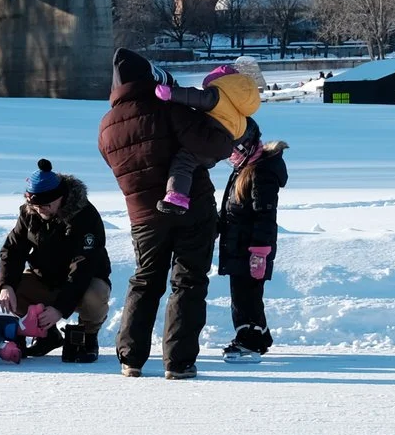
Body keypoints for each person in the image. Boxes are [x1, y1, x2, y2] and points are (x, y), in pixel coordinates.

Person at [99, 48, 234, 379]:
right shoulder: (168, 106)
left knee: (145, 280)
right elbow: (215, 144)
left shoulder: (106, 126)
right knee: (188, 281)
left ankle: (130, 358)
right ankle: (179, 361)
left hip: (143, 215)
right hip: (192, 205)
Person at [0, 159, 112, 364]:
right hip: (45, 279)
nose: (40, 210)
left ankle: (87, 337)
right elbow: (13, 249)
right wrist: (7, 285)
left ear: (61, 197)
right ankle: (47, 334)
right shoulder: (29, 213)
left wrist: (59, 309)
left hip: (82, 283)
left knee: (97, 292)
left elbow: (82, 267)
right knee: (0, 287)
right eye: (35, 204)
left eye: (46, 205)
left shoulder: (85, 215)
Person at [153, 57, 264, 212]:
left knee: (184, 162)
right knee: (191, 162)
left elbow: (194, 97)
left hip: (210, 138)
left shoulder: (216, 96)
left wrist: (171, 93)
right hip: (222, 148)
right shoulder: (239, 113)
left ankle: (177, 196)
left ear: (220, 82)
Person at [217, 133, 288, 361]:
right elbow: (233, 208)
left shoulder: (260, 171)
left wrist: (259, 251)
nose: (231, 156)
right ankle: (261, 336)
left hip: (251, 249)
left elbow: (265, 214)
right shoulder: (243, 168)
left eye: (234, 151)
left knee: (245, 297)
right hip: (238, 245)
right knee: (245, 293)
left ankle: (249, 341)